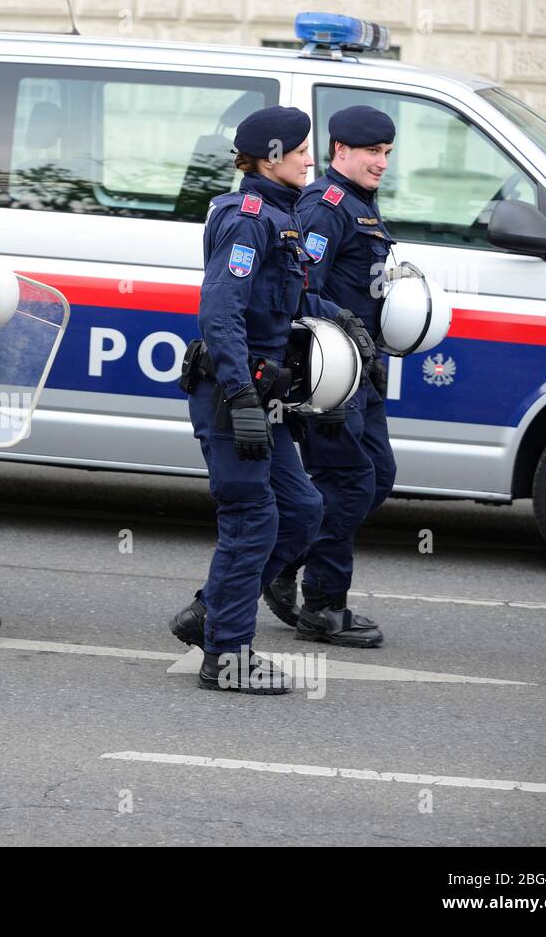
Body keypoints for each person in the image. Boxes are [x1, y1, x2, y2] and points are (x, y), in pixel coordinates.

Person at [169, 105, 374, 693]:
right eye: (303, 149)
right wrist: (239, 396)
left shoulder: (280, 218)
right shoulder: (247, 220)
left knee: (305, 511)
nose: (312, 159)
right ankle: (226, 657)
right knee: (251, 520)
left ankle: (210, 611)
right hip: (234, 396)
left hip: (264, 395)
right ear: (271, 157)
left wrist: (341, 316)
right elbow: (221, 313)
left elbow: (289, 299)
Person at [262, 106, 394, 648]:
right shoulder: (327, 206)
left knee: (376, 476)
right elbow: (301, 289)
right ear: (340, 150)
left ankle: (284, 562)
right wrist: (344, 330)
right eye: (372, 152)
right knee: (347, 480)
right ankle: (322, 604)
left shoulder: (361, 202)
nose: (381, 162)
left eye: (386, 153)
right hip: (330, 371)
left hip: (362, 369)